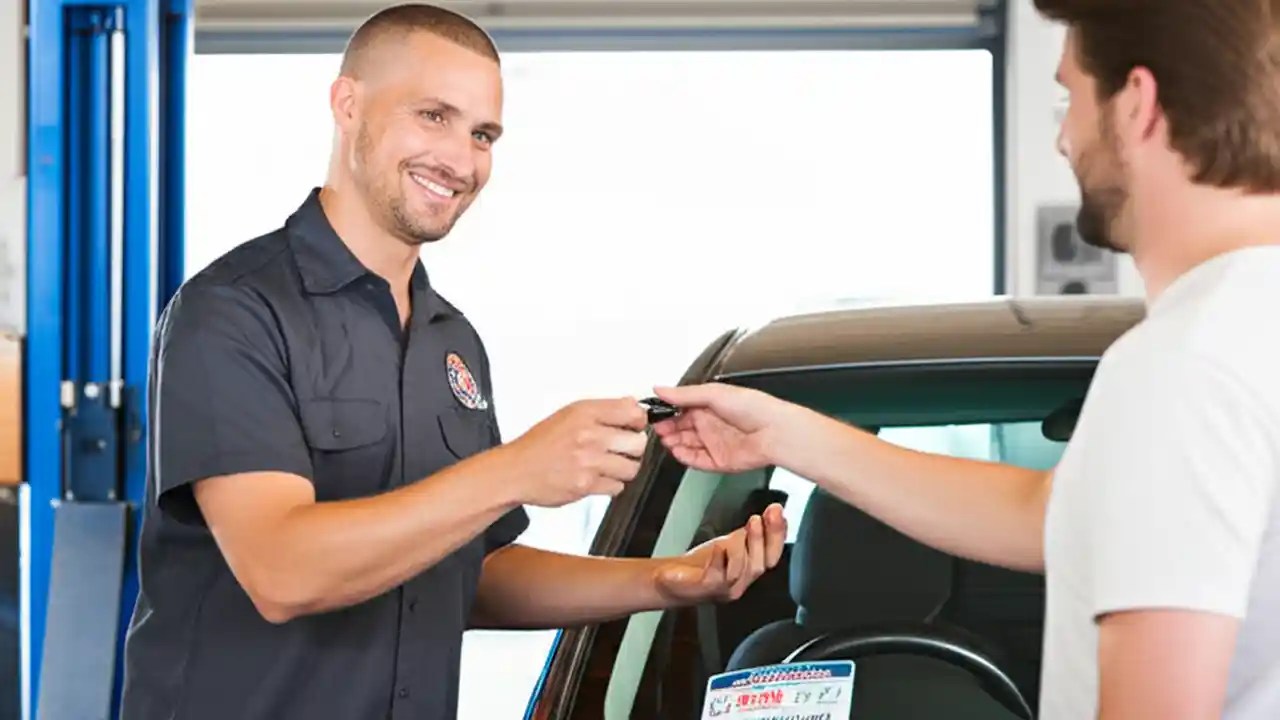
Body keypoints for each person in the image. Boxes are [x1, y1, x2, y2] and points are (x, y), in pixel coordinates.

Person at [119, 5, 786, 719]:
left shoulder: (451, 342)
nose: (461, 160)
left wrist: (665, 580)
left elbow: (469, 575)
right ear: (348, 105)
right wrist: (519, 469)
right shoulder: (232, 312)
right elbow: (282, 571)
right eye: (433, 116)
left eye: (482, 134)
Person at [652, 1, 1280, 718]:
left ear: (1136, 104)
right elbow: (1050, 515)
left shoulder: (1179, 369)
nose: (1064, 139)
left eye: (1069, 96)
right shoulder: (1249, 337)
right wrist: (787, 435)